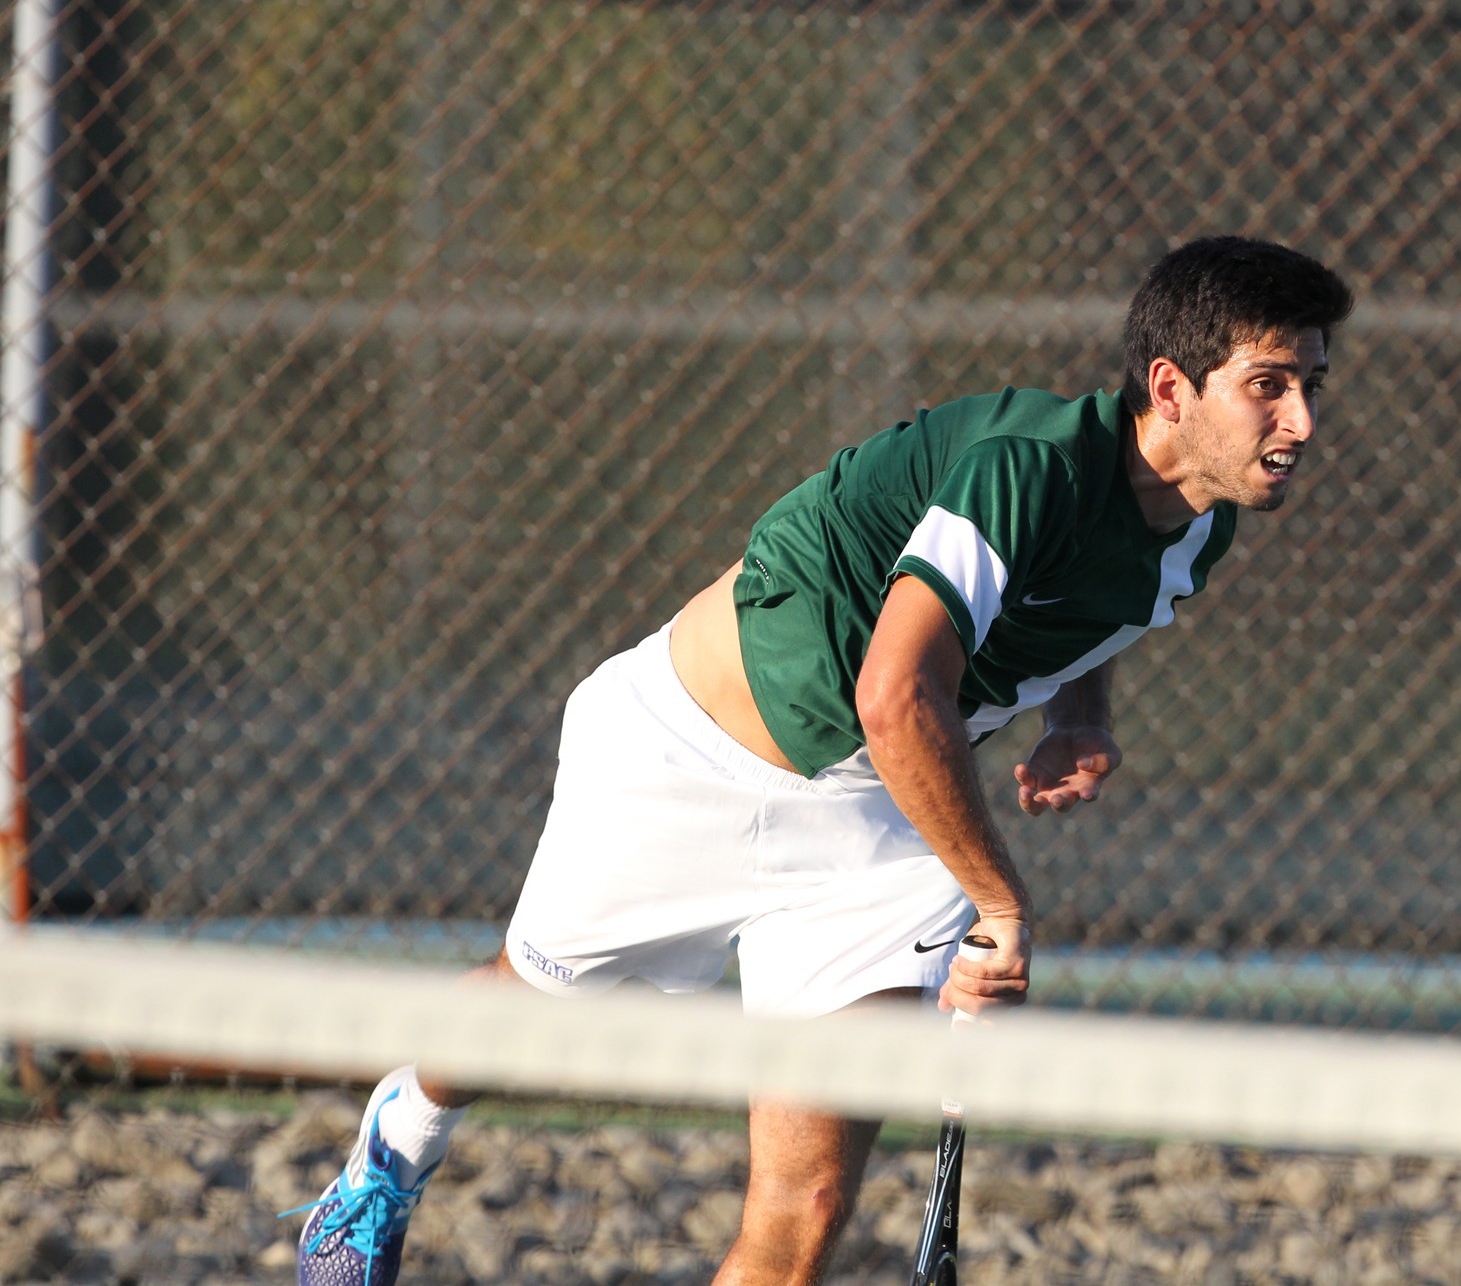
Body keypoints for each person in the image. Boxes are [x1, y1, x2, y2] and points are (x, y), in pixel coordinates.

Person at [292, 235, 1353, 1285]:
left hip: (877, 832)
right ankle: (403, 1133)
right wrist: (1002, 904)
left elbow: (1085, 607)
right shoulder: (1026, 465)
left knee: (803, 1210)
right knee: (530, 1009)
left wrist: (1076, 716)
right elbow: (893, 696)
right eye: (1267, 385)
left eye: (1307, 384)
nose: (1300, 421)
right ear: (1170, 388)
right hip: (684, 757)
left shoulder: (1197, 529)